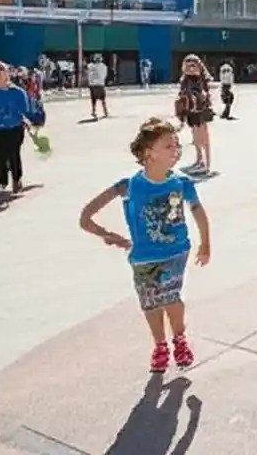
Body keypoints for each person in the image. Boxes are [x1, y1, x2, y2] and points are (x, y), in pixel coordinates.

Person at [78, 117, 212, 373]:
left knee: (171, 296)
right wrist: (108, 234)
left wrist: (205, 243)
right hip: (143, 257)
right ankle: (160, 345)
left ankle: (179, 339)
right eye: (168, 146)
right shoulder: (128, 186)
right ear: (148, 153)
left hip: (176, 251)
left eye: (176, 145)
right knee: (151, 303)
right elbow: (86, 217)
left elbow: (197, 210)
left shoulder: (181, 182)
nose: (176, 150)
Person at [0, 61, 35, 196]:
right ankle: (2, 181)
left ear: (6, 74)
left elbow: (25, 110)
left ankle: (17, 179)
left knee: (14, 154)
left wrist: (27, 121)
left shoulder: (18, 92)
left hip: (14, 128)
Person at [177, 55, 214, 174]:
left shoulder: (201, 80)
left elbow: (205, 96)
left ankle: (207, 164)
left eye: (193, 65)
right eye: (187, 66)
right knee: (195, 138)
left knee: (203, 137)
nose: (190, 68)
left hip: (200, 111)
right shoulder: (185, 80)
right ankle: (199, 160)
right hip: (190, 111)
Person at [87, 54, 109, 120]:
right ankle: (105, 111)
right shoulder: (104, 66)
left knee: (93, 99)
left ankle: (94, 111)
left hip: (92, 85)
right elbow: (104, 75)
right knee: (103, 99)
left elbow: (88, 74)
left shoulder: (90, 66)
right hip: (100, 84)